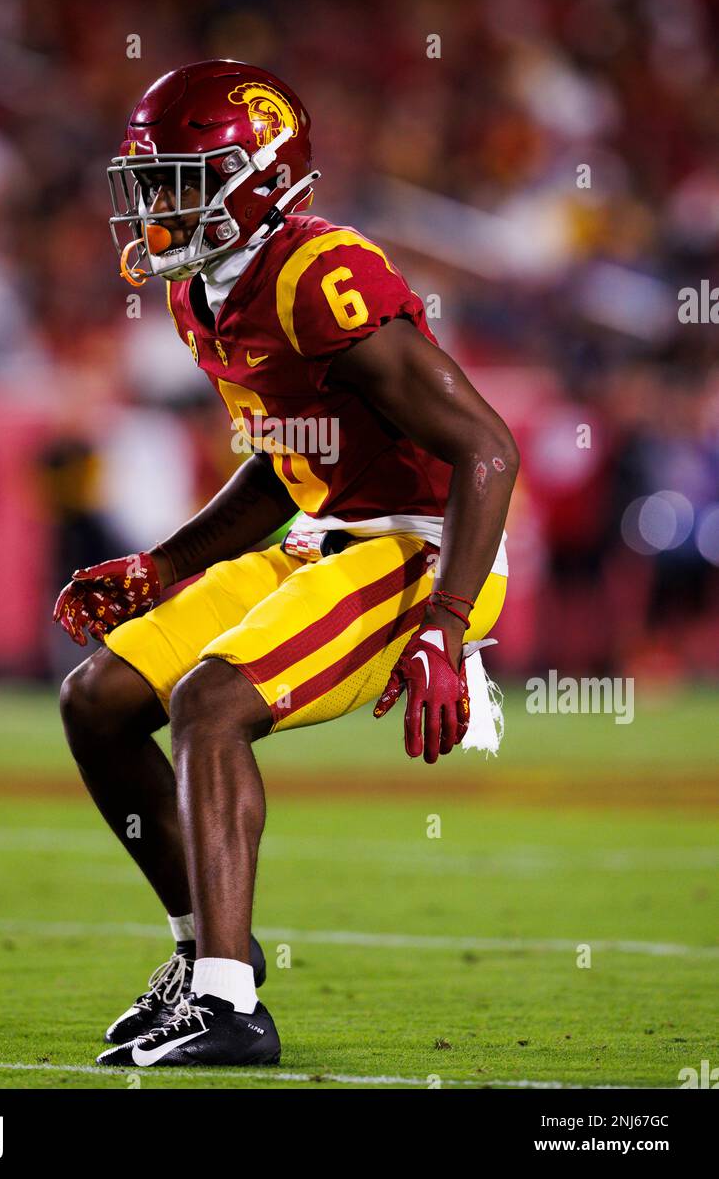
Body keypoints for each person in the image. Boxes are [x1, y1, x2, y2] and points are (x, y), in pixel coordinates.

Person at [55, 60, 519, 1068]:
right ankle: (203, 957)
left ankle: (231, 1008)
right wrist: (165, 564)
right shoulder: (203, 297)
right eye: (149, 182)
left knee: (211, 702)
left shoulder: (322, 274)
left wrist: (444, 623)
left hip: (420, 545)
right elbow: (286, 457)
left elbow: (487, 449)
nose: (155, 207)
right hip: (324, 538)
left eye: (180, 181)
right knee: (97, 699)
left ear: (256, 177)